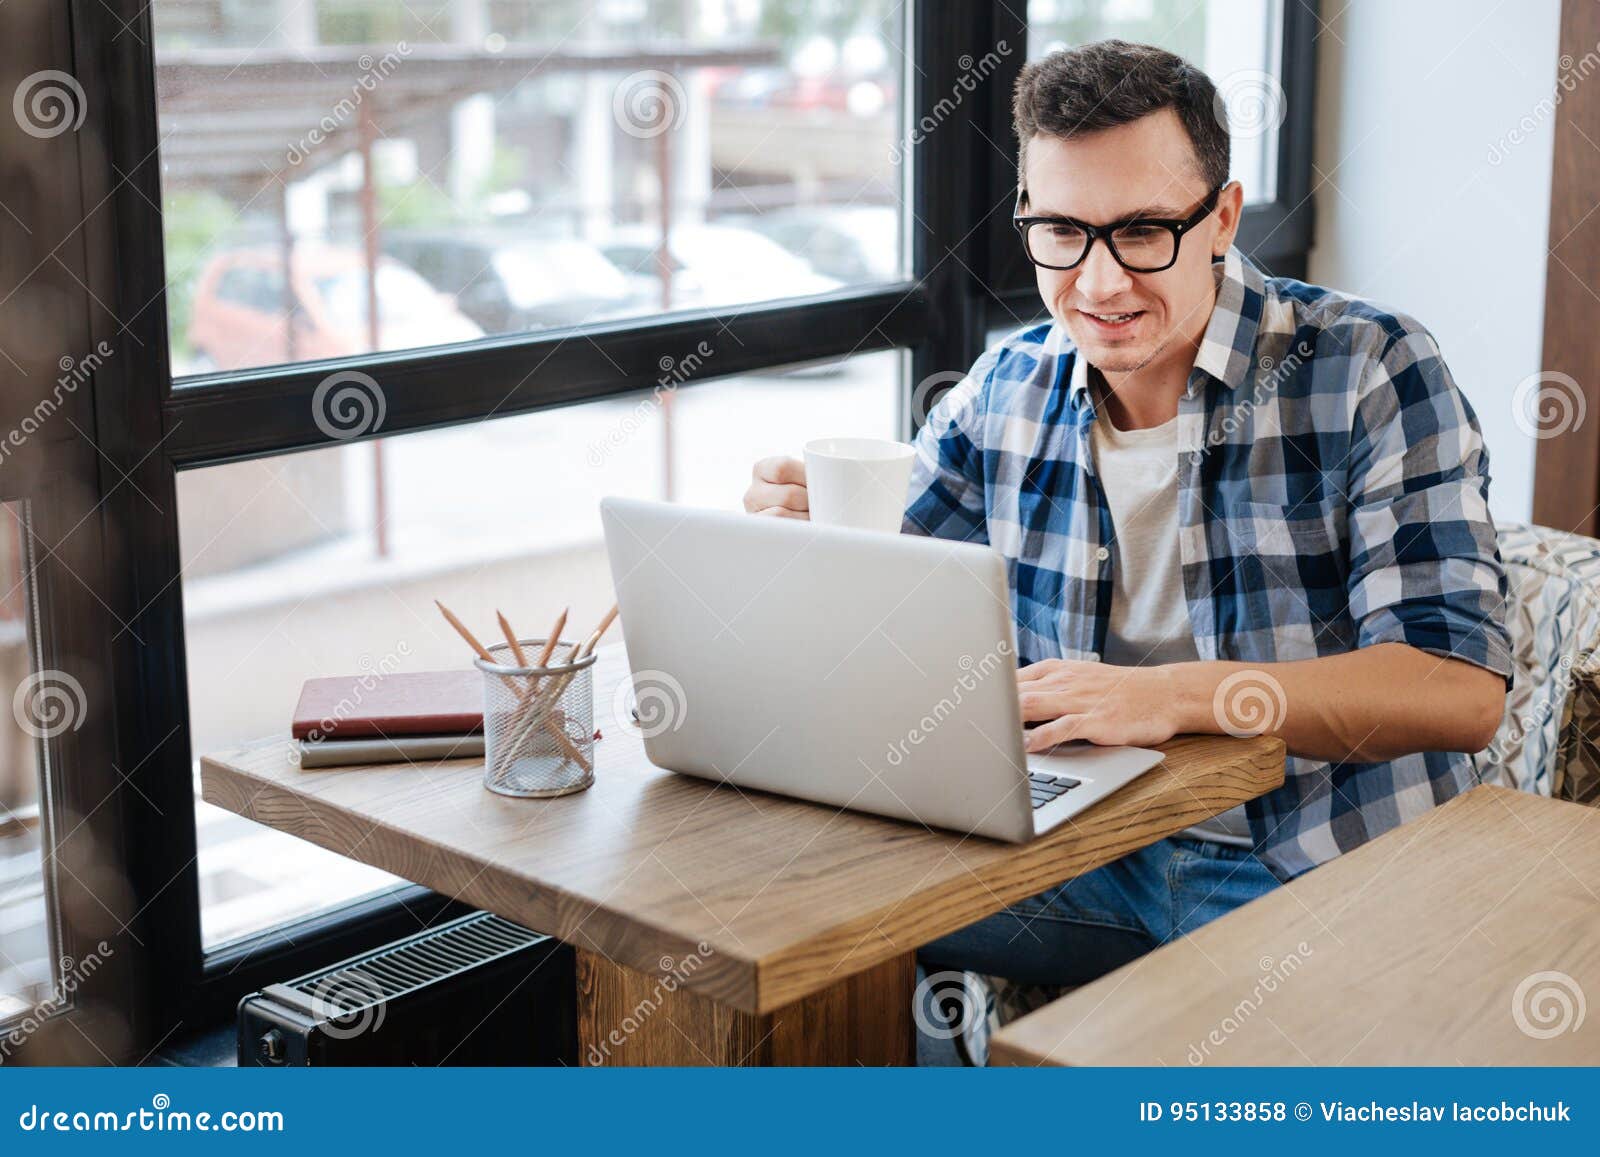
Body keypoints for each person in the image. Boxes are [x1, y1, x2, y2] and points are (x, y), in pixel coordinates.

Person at [742, 39, 1511, 1004]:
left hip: (1308, 855)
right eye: (1061, 230)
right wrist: (814, 542)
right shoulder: (1005, 387)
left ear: (1223, 216)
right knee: (787, 927)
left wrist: (1181, 695)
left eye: (1144, 230)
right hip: (1077, 850)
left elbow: (1456, 687)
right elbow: (886, 618)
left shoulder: (1369, 369)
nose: (1098, 285)